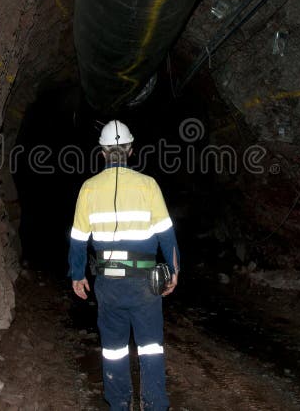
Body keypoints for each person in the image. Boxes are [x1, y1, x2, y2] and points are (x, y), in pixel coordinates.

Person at [69, 120, 180, 410]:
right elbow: (166, 234)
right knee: (151, 348)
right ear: (130, 150)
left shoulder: (89, 188)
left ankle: (119, 404)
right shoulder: (148, 185)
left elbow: (79, 239)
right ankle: (154, 404)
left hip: (109, 284)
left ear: (103, 152)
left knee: (114, 350)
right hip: (145, 282)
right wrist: (174, 270)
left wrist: (77, 274)